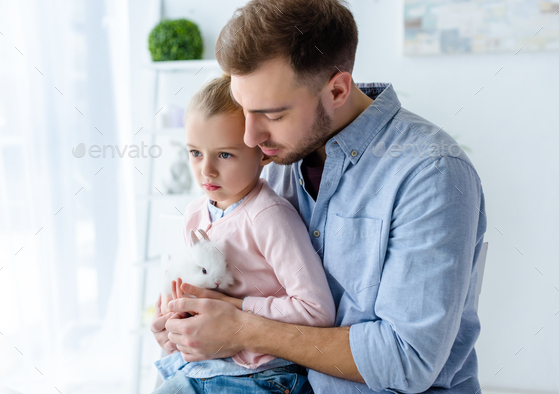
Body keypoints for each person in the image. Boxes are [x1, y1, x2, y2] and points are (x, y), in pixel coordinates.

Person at [151, 0, 487, 392]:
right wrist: (188, 325)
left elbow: (406, 359)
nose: (249, 138)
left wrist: (241, 329)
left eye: (273, 115)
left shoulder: (430, 172)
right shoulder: (273, 163)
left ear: (338, 89)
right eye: (244, 110)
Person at [152, 75, 336, 393]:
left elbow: (316, 310)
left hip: (263, 374)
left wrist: (233, 306)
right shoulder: (196, 213)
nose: (206, 170)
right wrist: (171, 322)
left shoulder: (269, 217)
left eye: (224, 155)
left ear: (263, 153)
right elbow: (191, 287)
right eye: (195, 152)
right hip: (204, 366)